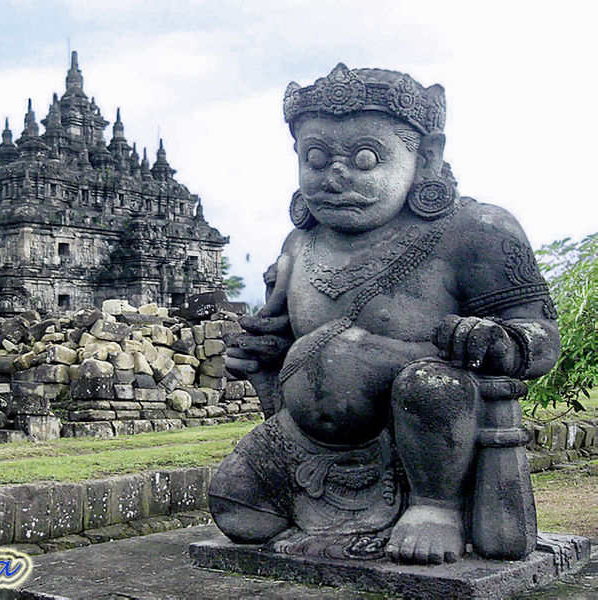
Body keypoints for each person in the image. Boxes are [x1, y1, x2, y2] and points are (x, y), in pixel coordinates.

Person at [209, 64, 560, 565]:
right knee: (236, 507)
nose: (334, 176)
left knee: (431, 384)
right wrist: (265, 354)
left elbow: (543, 334)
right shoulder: (299, 245)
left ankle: (435, 508)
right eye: (315, 158)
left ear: (426, 158)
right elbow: (289, 341)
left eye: (366, 157)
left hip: (424, 444)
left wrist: (499, 340)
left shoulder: (476, 231)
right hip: (305, 441)